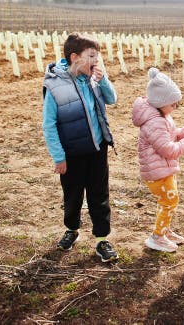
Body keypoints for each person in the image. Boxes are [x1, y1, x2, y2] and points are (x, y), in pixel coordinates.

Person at [42, 32, 119, 262]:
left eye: (98, 56)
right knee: (73, 195)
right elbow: (49, 125)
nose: (96, 61)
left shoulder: (94, 79)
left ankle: (101, 240)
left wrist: (102, 79)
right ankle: (71, 229)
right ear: (74, 57)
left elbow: (112, 99)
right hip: (72, 154)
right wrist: (59, 157)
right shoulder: (55, 86)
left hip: (97, 150)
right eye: (92, 56)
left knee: (99, 195)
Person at [132, 67, 184, 253]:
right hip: (157, 172)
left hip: (163, 169)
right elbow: (167, 150)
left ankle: (164, 231)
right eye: (173, 104)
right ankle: (157, 237)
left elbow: (166, 137)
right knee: (169, 202)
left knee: (171, 201)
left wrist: (180, 133)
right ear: (160, 102)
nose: (175, 107)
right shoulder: (155, 122)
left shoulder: (161, 116)